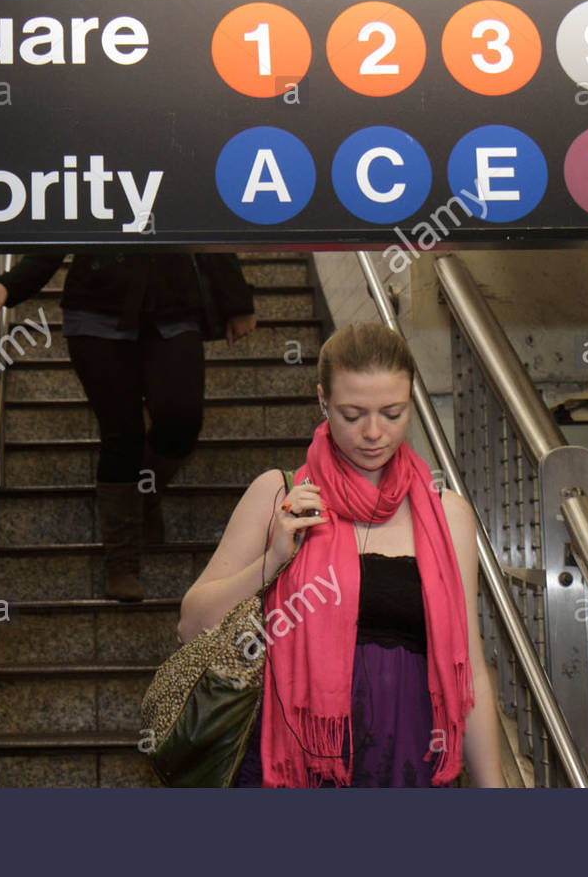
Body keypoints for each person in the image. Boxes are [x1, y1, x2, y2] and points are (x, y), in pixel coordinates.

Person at [176, 322, 504, 787]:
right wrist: (273, 562)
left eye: (393, 413)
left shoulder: (446, 514)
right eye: (352, 414)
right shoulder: (277, 494)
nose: (374, 433)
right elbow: (192, 626)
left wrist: (495, 788)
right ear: (322, 401)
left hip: (410, 758)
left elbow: (467, 663)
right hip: (291, 760)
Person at [0, 251, 257, 601]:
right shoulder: (87, 190)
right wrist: (8, 284)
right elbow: (60, 229)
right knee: (122, 434)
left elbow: (206, 229)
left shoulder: (181, 191)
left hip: (174, 310)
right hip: (95, 314)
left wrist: (237, 302)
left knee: (181, 419)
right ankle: (121, 561)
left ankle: (144, 494)